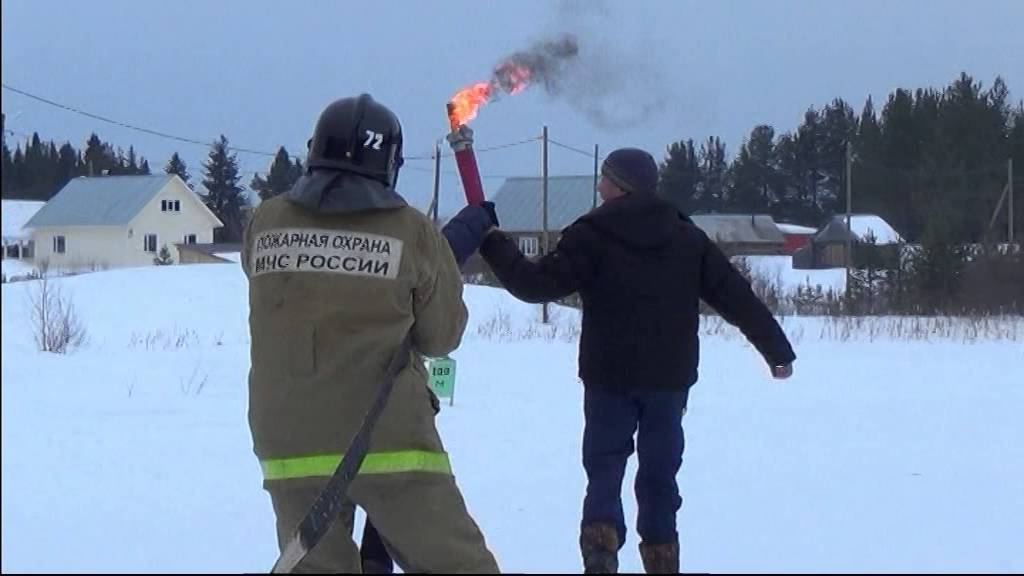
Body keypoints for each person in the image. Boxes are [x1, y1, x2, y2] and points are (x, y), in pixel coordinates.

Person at [478, 147, 796, 574]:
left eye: (604, 178)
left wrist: (494, 244)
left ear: (618, 185)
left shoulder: (590, 234)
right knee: (660, 473)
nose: (598, 185)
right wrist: (776, 350)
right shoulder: (687, 238)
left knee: (605, 468)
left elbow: (535, 284)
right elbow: (735, 296)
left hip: (608, 378)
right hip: (668, 380)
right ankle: (662, 557)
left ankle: (600, 554)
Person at [242, 94, 499, 573]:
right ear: (390, 166)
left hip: (287, 440)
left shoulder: (265, 222)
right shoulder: (412, 232)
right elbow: (440, 336)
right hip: (389, 442)